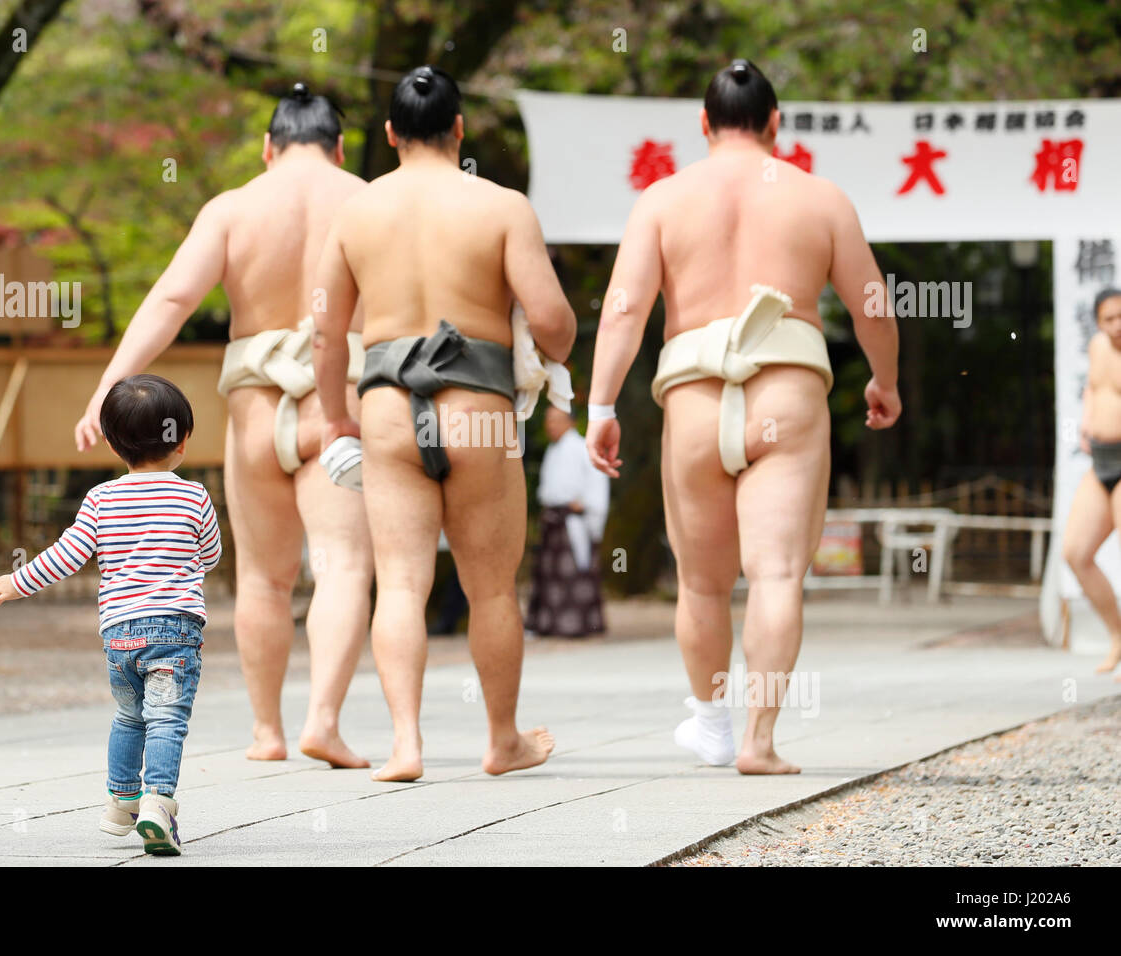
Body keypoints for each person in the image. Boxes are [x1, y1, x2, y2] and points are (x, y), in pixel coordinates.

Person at [586, 59, 901, 774]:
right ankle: (758, 742)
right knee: (777, 575)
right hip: (787, 392)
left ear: (703, 124)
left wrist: (602, 404)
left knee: (700, 582)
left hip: (696, 395)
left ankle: (712, 725)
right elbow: (872, 304)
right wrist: (884, 380)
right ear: (776, 123)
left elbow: (626, 309)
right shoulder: (818, 198)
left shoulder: (662, 199)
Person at [73, 84, 375, 769]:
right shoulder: (368, 200)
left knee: (263, 579)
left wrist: (107, 384)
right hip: (340, 406)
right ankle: (322, 721)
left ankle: (267, 732)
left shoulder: (234, 208)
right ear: (340, 145)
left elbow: (175, 298)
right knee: (343, 566)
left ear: (269, 148)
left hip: (256, 409)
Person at [314, 65, 576, 782]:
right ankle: (501, 741)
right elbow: (553, 324)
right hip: (479, 410)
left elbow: (324, 332)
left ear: (392, 133)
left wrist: (336, 416)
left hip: (388, 408)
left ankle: (406, 745)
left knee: (400, 584)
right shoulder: (502, 206)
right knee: (491, 587)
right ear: (458, 129)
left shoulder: (355, 213)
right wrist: (551, 347)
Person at [0, 375, 221, 855]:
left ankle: (121, 803)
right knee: (166, 719)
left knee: (128, 714)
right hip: (174, 629)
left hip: (119, 634)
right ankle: (158, 803)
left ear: (116, 446)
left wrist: (18, 582)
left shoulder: (101, 499)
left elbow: (67, 554)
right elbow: (211, 554)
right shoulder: (194, 497)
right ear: (180, 442)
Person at [1063, 287, 1121, 677]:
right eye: (1109, 319)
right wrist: (1086, 419)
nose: (1116, 326)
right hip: (1100, 458)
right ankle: (1118, 636)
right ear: (1098, 322)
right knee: (1076, 552)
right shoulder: (1098, 346)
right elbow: (1093, 388)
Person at [525, 406, 609, 637]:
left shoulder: (582, 447)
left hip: (574, 519)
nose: (550, 425)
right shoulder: (554, 450)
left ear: (570, 422)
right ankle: (547, 625)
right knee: (548, 575)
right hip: (554, 518)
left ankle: (577, 627)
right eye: (548, 420)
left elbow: (597, 482)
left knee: (574, 572)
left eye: (556, 420)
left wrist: (589, 505)